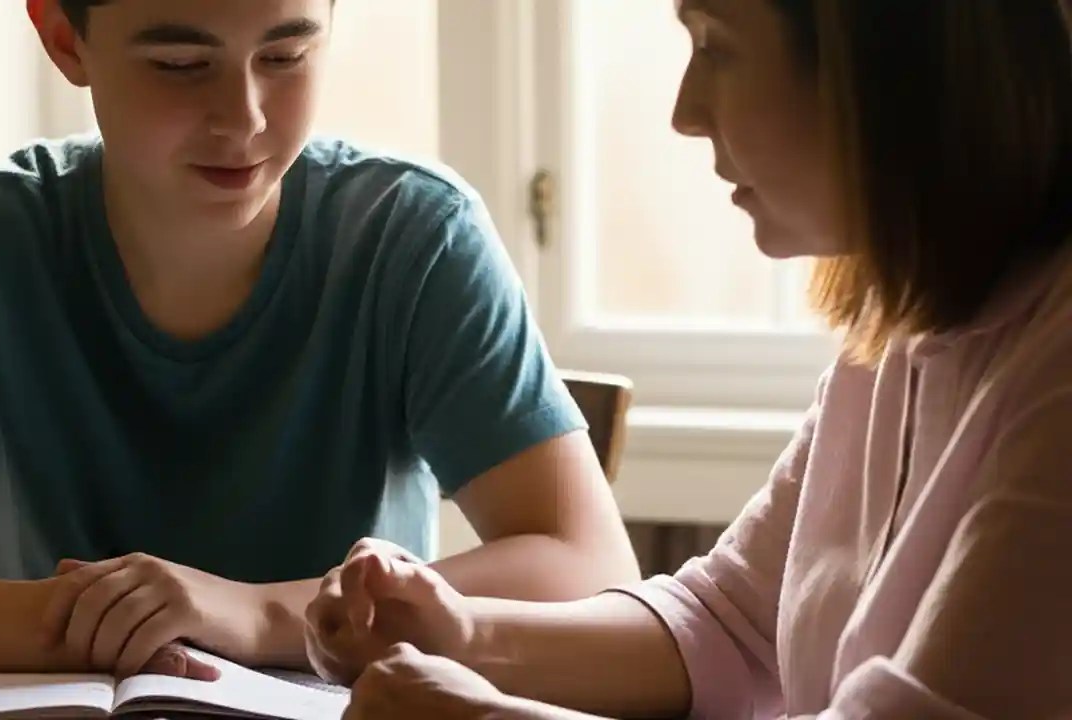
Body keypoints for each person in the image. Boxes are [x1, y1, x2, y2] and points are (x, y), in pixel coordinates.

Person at [0, 0, 640, 680]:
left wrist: (259, 613)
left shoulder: (413, 236)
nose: (243, 118)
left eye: (286, 55)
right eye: (180, 64)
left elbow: (592, 572)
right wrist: (85, 626)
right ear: (63, 38)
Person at [307, 0, 1072, 717]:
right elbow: (731, 623)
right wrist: (464, 636)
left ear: (879, 65)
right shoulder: (898, 326)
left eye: (716, 45)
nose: (685, 111)